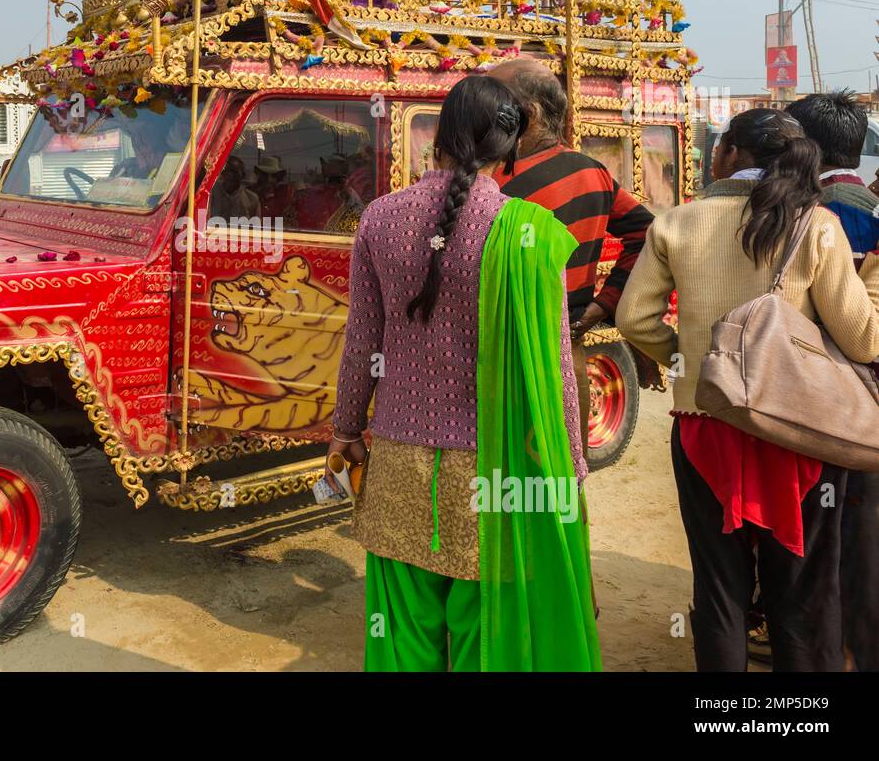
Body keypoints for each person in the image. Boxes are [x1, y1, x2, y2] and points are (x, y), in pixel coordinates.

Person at [331, 75, 599, 672]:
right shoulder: (528, 235)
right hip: (494, 475)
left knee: (401, 637)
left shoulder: (377, 219)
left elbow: (361, 345)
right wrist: (571, 467)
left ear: (439, 134)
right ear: (510, 146)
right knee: (486, 638)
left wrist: (346, 430)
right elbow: (555, 368)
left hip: (399, 460)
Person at [616, 108, 879, 672]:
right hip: (797, 428)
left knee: (719, 589)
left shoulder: (678, 222)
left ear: (731, 152)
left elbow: (635, 319)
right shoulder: (817, 225)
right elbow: (863, 340)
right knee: (803, 589)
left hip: (705, 426)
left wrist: (698, 367)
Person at [486, 58, 656, 443]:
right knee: (561, 481)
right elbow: (647, 234)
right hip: (567, 362)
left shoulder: (493, 181)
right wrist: (602, 305)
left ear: (527, 115)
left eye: (493, 103)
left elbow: (647, 235)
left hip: (502, 367)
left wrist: (606, 301)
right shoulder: (591, 172)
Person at [787, 90, 879, 670]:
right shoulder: (871, 210)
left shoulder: (794, 214)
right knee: (863, 535)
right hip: (868, 403)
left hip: (802, 401)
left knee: (809, 537)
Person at [209, 155, 261, 220]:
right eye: (228, 171)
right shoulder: (211, 195)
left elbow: (256, 226)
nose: (231, 175)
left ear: (242, 175)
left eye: (235, 172)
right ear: (223, 173)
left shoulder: (252, 199)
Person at [254, 155, 293, 221]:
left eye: (273, 176)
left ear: (278, 177)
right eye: (265, 174)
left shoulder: (283, 196)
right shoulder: (251, 196)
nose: (269, 179)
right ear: (259, 175)